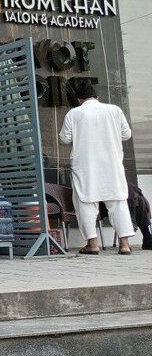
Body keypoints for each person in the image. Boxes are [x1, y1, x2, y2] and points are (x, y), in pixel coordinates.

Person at [58, 84, 135, 254]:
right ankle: (124, 245)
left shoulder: (74, 113)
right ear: (97, 97)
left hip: (86, 166)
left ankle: (92, 244)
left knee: (85, 203)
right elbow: (127, 134)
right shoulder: (114, 110)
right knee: (118, 203)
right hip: (112, 164)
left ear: (79, 100)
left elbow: (65, 138)